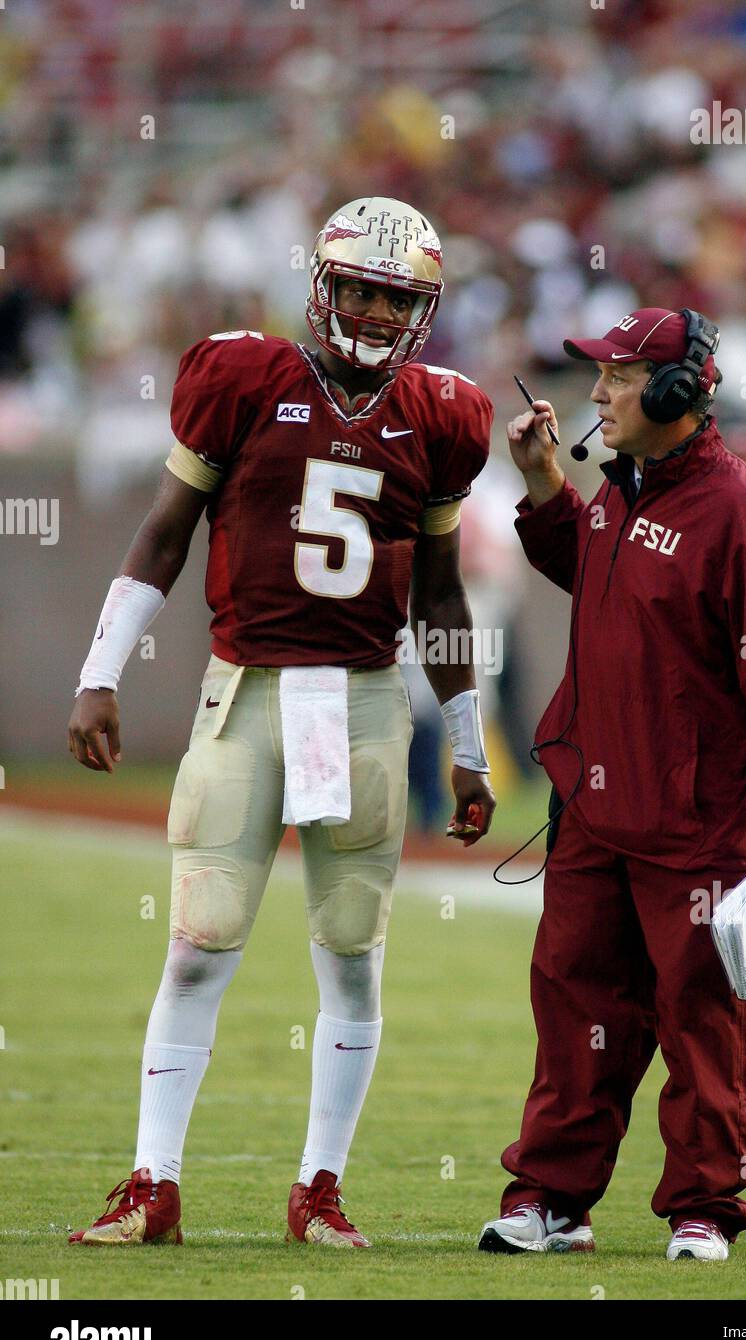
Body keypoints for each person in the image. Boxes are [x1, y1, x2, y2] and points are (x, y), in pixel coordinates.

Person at [66, 196, 496, 1248]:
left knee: (352, 954)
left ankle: (319, 1190)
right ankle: (151, 1184)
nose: (372, 310)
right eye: (357, 288)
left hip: (358, 703)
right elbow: (165, 532)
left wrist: (473, 748)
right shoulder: (246, 380)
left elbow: (438, 595)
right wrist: (98, 673)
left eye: (395, 298)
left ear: (422, 309)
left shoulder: (442, 416)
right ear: (322, 286)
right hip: (250, 690)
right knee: (199, 942)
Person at [478, 307, 746, 1261]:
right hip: (594, 805)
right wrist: (543, 485)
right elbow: (594, 570)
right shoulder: (617, 489)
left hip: (696, 817)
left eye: (619, 376)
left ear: (678, 391)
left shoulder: (742, 510)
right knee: (572, 1009)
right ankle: (552, 1199)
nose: (595, 393)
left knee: (700, 1022)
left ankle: (702, 1209)